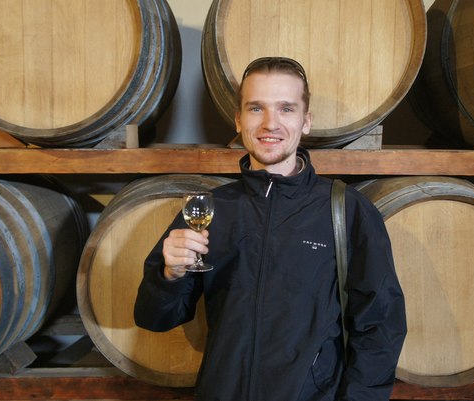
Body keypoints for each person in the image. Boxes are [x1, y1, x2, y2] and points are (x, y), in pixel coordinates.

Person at [134, 56, 407, 401]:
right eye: (256, 108)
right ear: (238, 120)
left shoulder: (346, 209)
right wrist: (169, 275)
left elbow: (381, 327)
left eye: (286, 109)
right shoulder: (212, 209)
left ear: (306, 122)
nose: (270, 123)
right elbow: (154, 319)